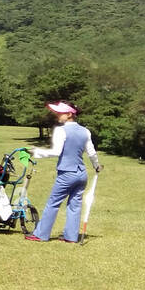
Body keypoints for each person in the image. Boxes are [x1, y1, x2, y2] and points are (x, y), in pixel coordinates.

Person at [26, 101, 102, 243]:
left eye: (60, 113)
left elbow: (56, 152)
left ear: (69, 114)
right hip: (81, 174)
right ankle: (71, 237)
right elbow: (91, 152)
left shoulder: (61, 130)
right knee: (75, 204)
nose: (57, 116)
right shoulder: (85, 131)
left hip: (67, 173)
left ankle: (41, 234)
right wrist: (96, 166)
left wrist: (36, 152)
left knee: (53, 203)